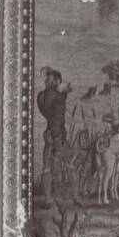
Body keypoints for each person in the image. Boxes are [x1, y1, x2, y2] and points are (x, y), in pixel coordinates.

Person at [36, 67, 70, 200]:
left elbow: (48, 110)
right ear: (57, 82)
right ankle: (73, 197)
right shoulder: (57, 98)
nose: (46, 80)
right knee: (70, 163)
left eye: (48, 79)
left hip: (48, 133)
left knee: (46, 167)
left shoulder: (41, 96)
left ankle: (47, 198)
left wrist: (62, 94)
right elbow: (57, 119)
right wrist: (58, 140)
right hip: (56, 134)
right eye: (48, 79)